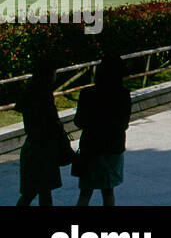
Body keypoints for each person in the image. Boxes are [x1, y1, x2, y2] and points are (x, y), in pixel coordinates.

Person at [72, 54, 131, 207]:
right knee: (108, 191)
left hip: (90, 147)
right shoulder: (123, 94)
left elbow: (78, 121)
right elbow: (124, 124)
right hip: (113, 147)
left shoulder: (87, 94)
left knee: (85, 192)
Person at [16, 57, 71, 207]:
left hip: (32, 146)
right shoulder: (44, 96)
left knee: (31, 192)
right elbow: (53, 123)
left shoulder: (30, 91)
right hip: (44, 149)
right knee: (41, 192)